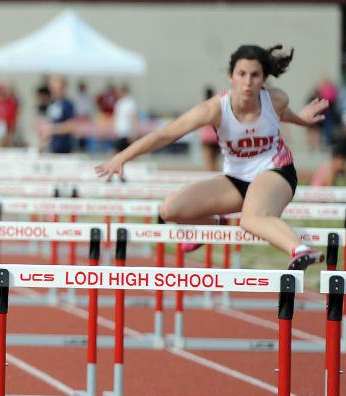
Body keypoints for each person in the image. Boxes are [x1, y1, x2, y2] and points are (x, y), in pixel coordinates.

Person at [95, 44, 329, 270]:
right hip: (237, 180)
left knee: (252, 219)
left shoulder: (276, 98)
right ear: (231, 76)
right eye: (242, 74)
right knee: (170, 210)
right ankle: (217, 222)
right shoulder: (215, 108)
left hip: (275, 172)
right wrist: (122, 157)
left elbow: (280, 113)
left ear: (264, 78)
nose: (248, 82)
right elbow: (166, 134)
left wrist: (300, 119)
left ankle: (299, 250)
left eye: (255, 75)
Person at [43, 75, 77, 153]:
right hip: (51, 148)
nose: (53, 90)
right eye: (52, 88)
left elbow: (71, 126)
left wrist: (52, 129)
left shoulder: (68, 105)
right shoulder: (51, 104)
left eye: (56, 88)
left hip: (64, 149)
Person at [198, 86, 221, 171]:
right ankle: (215, 176)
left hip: (206, 138)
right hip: (216, 137)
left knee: (208, 161)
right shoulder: (217, 106)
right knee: (215, 161)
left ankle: (209, 178)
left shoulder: (202, 107)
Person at [112, 83, 138, 153]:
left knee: (126, 153)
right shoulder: (119, 102)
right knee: (127, 153)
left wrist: (134, 132)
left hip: (127, 133)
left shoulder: (130, 102)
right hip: (120, 132)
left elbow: (133, 117)